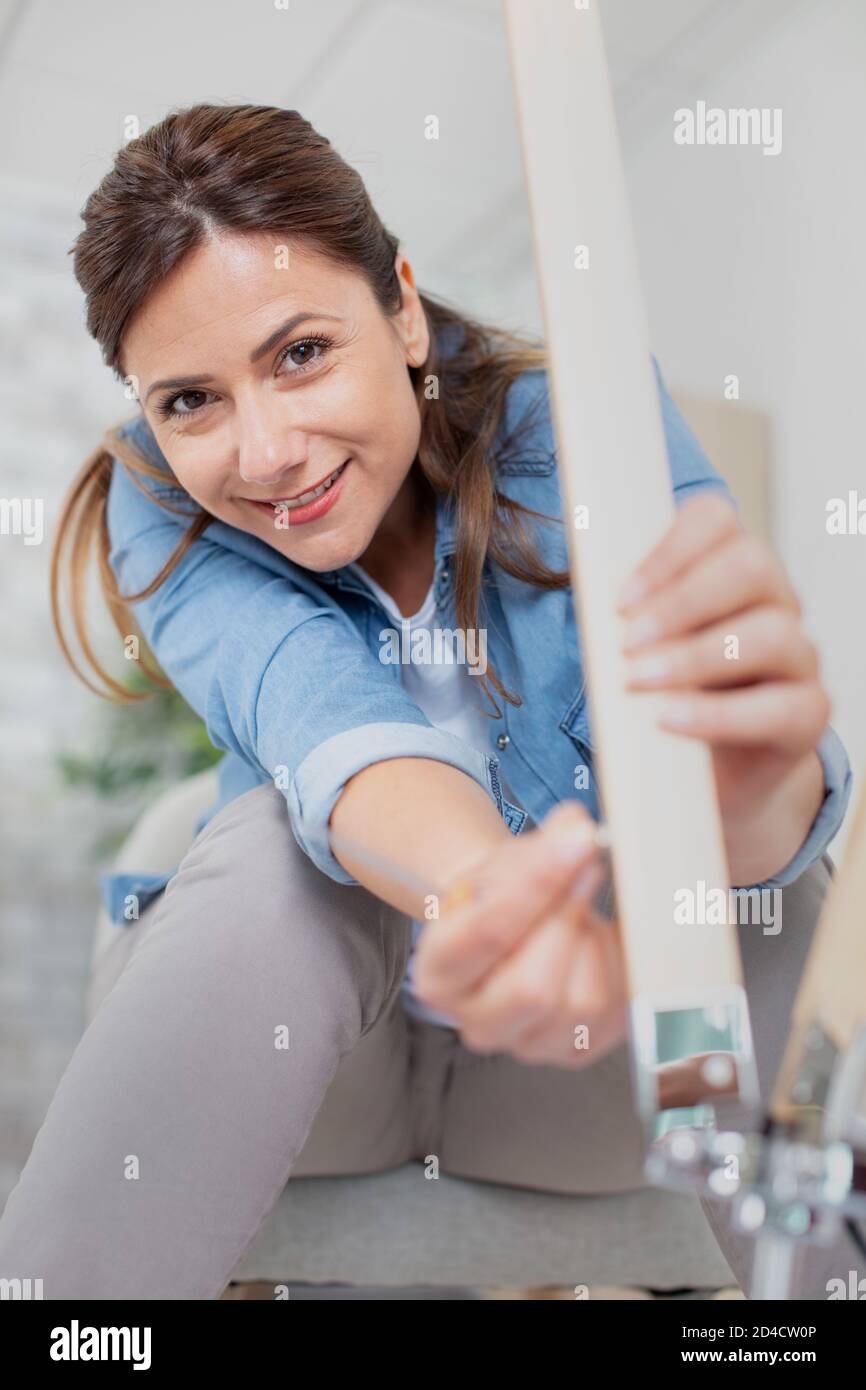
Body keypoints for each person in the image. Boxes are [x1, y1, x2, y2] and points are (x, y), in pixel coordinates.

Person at [0, 103, 855, 1300]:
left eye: (300, 353)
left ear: (400, 305)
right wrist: (486, 888)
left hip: (577, 1066)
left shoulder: (583, 426)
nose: (266, 454)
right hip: (315, 1077)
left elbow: (726, 785)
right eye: (189, 399)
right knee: (275, 846)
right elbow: (315, 711)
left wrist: (749, 795)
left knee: (773, 893)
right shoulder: (164, 497)